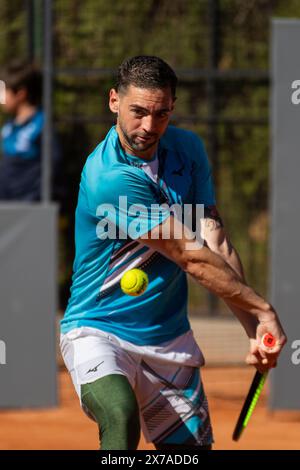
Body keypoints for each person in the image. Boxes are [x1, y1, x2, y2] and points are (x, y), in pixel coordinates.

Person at [60, 56, 286, 451]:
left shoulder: (188, 150)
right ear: (114, 101)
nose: (149, 126)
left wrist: (253, 327)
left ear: (172, 108)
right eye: (139, 112)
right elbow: (191, 256)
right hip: (98, 329)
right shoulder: (109, 177)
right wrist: (264, 309)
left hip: (169, 340)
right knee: (119, 414)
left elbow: (216, 244)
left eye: (161, 114)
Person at [0, 61, 60, 201]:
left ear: (20, 94)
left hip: (30, 208)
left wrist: (34, 198)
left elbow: (53, 166)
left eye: (3, 92)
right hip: (5, 205)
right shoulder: (8, 126)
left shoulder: (42, 124)